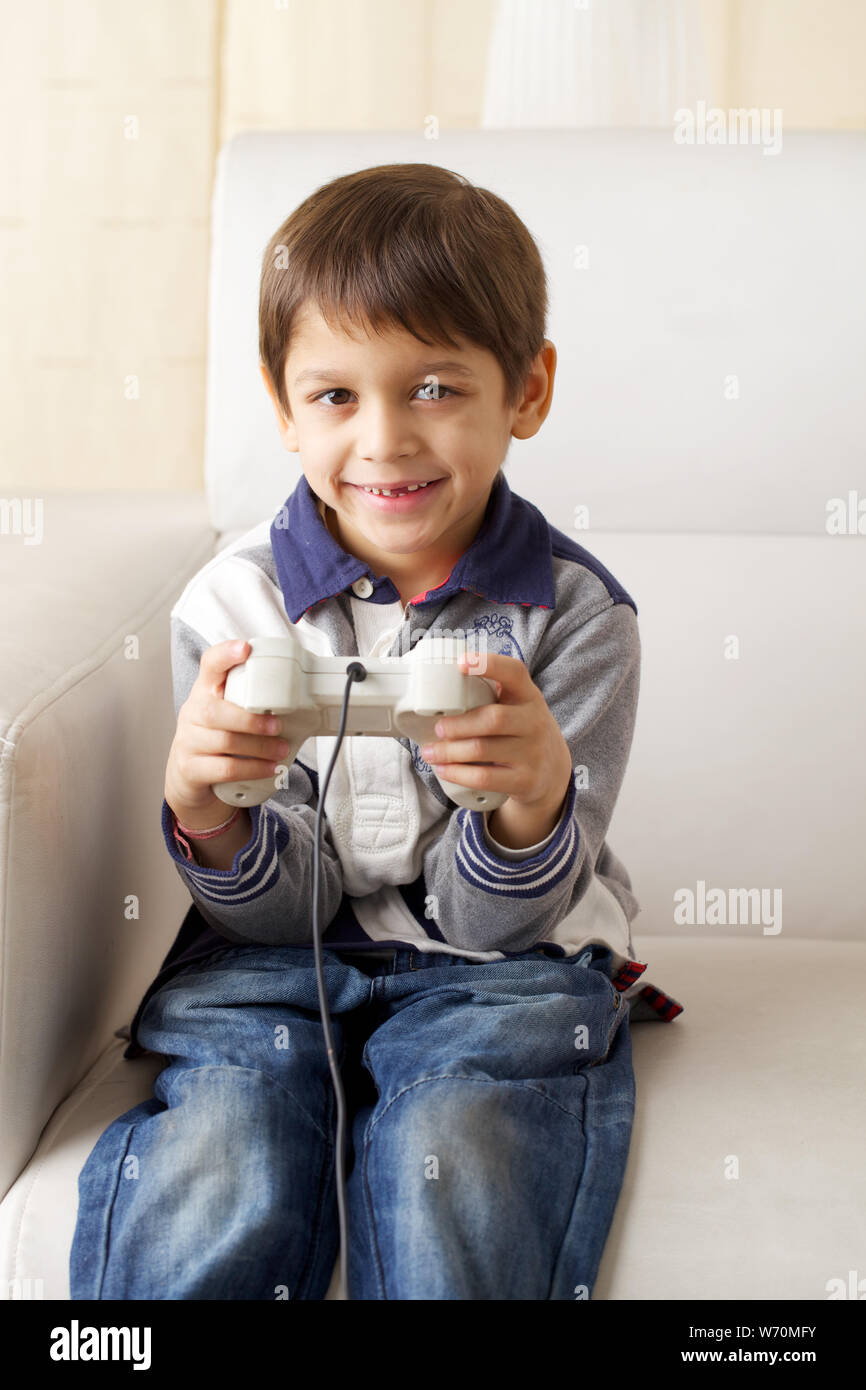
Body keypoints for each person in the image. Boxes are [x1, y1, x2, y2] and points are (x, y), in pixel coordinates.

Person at [70, 161, 683, 1302]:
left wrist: (528, 810)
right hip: (268, 967)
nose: (386, 439)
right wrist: (212, 819)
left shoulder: (579, 621)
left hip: (498, 967)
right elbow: (281, 915)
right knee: (224, 1132)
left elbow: (490, 922)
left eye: (437, 387)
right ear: (280, 399)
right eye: (336, 395)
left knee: (466, 1131)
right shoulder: (229, 611)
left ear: (528, 391)